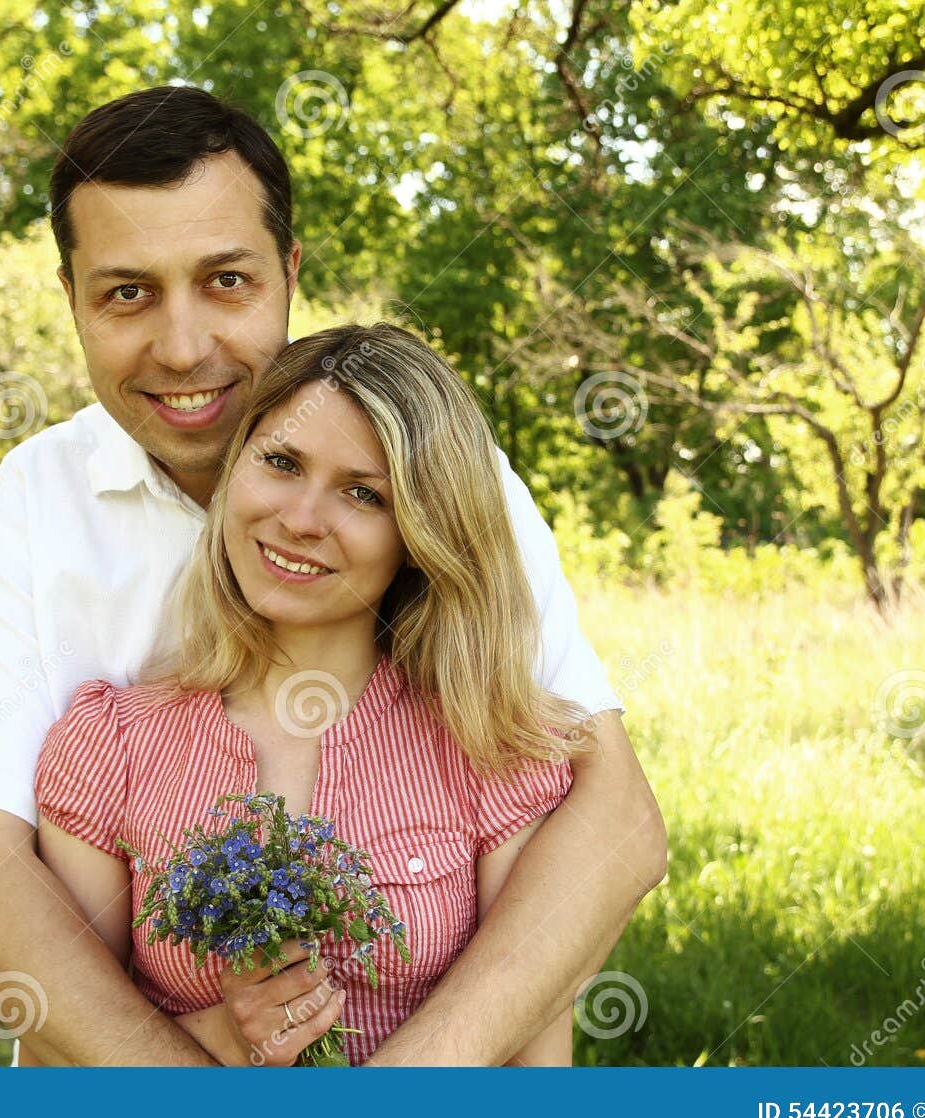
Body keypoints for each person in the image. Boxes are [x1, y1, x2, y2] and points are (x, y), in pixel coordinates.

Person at [0, 85, 668, 1067]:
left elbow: (614, 821)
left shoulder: (447, 472)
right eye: (127, 293)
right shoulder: (30, 503)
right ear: (72, 299)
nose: (183, 346)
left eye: (226, 281)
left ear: (289, 270)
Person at [30, 323, 595, 1065]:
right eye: (282, 462)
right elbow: (57, 1063)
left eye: (363, 494)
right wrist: (223, 1037)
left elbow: (535, 1083)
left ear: (419, 534)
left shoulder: (491, 748)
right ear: (235, 469)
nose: (300, 520)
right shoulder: (108, 747)